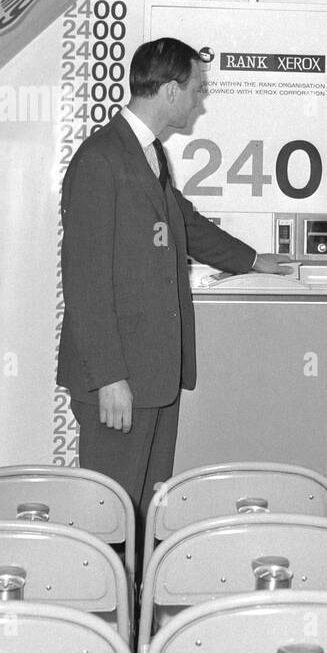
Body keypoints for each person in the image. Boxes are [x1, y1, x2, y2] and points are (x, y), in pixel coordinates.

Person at [56, 37, 286, 553]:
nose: (199, 101)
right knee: (109, 518)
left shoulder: (149, 153)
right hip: (118, 383)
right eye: (196, 90)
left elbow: (185, 223)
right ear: (168, 90)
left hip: (154, 376)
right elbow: (84, 281)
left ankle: (134, 619)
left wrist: (254, 260)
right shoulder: (101, 159)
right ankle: (100, 625)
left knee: (141, 515)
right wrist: (110, 376)